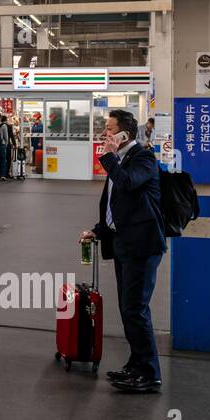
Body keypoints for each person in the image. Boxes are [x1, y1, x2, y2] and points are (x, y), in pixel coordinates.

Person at [80, 109, 165, 393]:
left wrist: (108, 157)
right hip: (123, 244)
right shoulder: (123, 159)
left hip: (142, 246)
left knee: (135, 310)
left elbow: (128, 184)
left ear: (124, 134)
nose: (105, 133)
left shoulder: (143, 157)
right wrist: (99, 229)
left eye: (109, 128)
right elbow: (116, 204)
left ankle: (149, 373)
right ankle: (136, 363)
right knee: (127, 309)